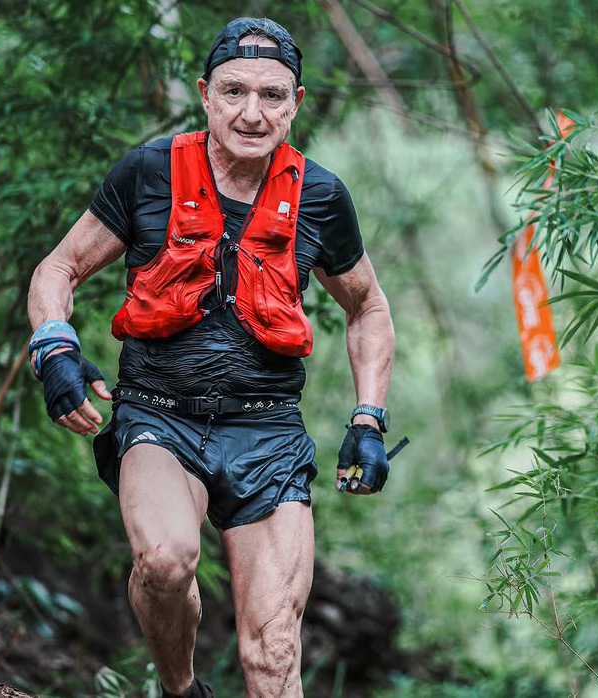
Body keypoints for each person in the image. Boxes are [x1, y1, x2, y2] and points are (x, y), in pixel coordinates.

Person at [26, 16, 396, 698]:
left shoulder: (320, 195)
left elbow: (367, 306)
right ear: (205, 94)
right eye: (233, 92)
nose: (251, 113)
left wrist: (368, 417)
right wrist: (54, 345)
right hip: (158, 419)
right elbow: (59, 268)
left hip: (268, 434)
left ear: (296, 103)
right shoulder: (147, 173)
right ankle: (180, 688)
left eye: (271, 96)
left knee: (274, 653)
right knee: (165, 561)